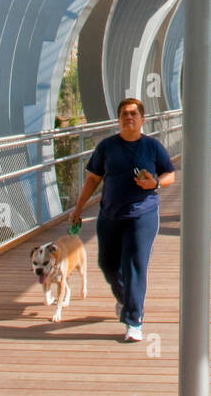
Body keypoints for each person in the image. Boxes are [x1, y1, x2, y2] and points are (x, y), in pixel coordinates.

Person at [70, 97, 175, 342]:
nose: (129, 118)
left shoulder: (152, 147)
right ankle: (126, 298)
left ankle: (133, 320)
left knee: (134, 266)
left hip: (142, 213)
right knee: (108, 265)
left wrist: (155, 183)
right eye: (124, 115)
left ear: (142, 120)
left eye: (133, 114)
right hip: (110, 214)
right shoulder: (107, 147)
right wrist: (78, 209)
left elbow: (170, 174)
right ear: (118, 120)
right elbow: (93, 179)